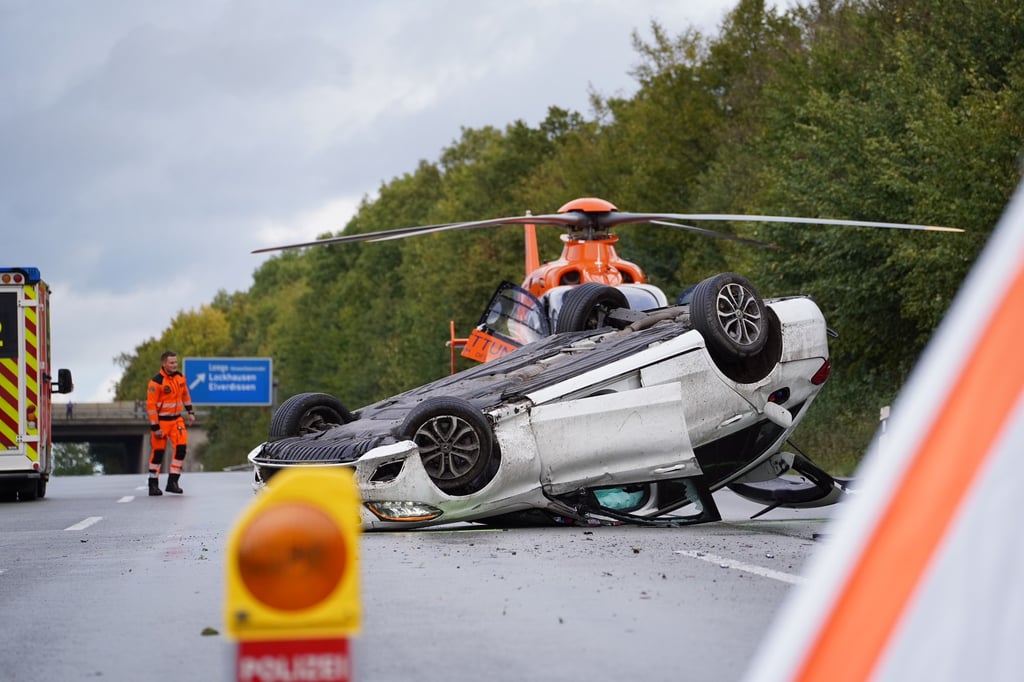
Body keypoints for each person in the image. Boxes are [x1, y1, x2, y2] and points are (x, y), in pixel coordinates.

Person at [145, 350, 195, 495]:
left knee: (181, 449)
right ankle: (153, 484)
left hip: (176, 420)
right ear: (164, 363)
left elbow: (185, 394)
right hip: (161, 422)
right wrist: (155, 427)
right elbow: (151, 407)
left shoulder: (180, 377)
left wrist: (190, 412)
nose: (175, 365)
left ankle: (173, 482)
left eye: (176, 362)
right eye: (171, 363)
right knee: (158, 454)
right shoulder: (156, 382)